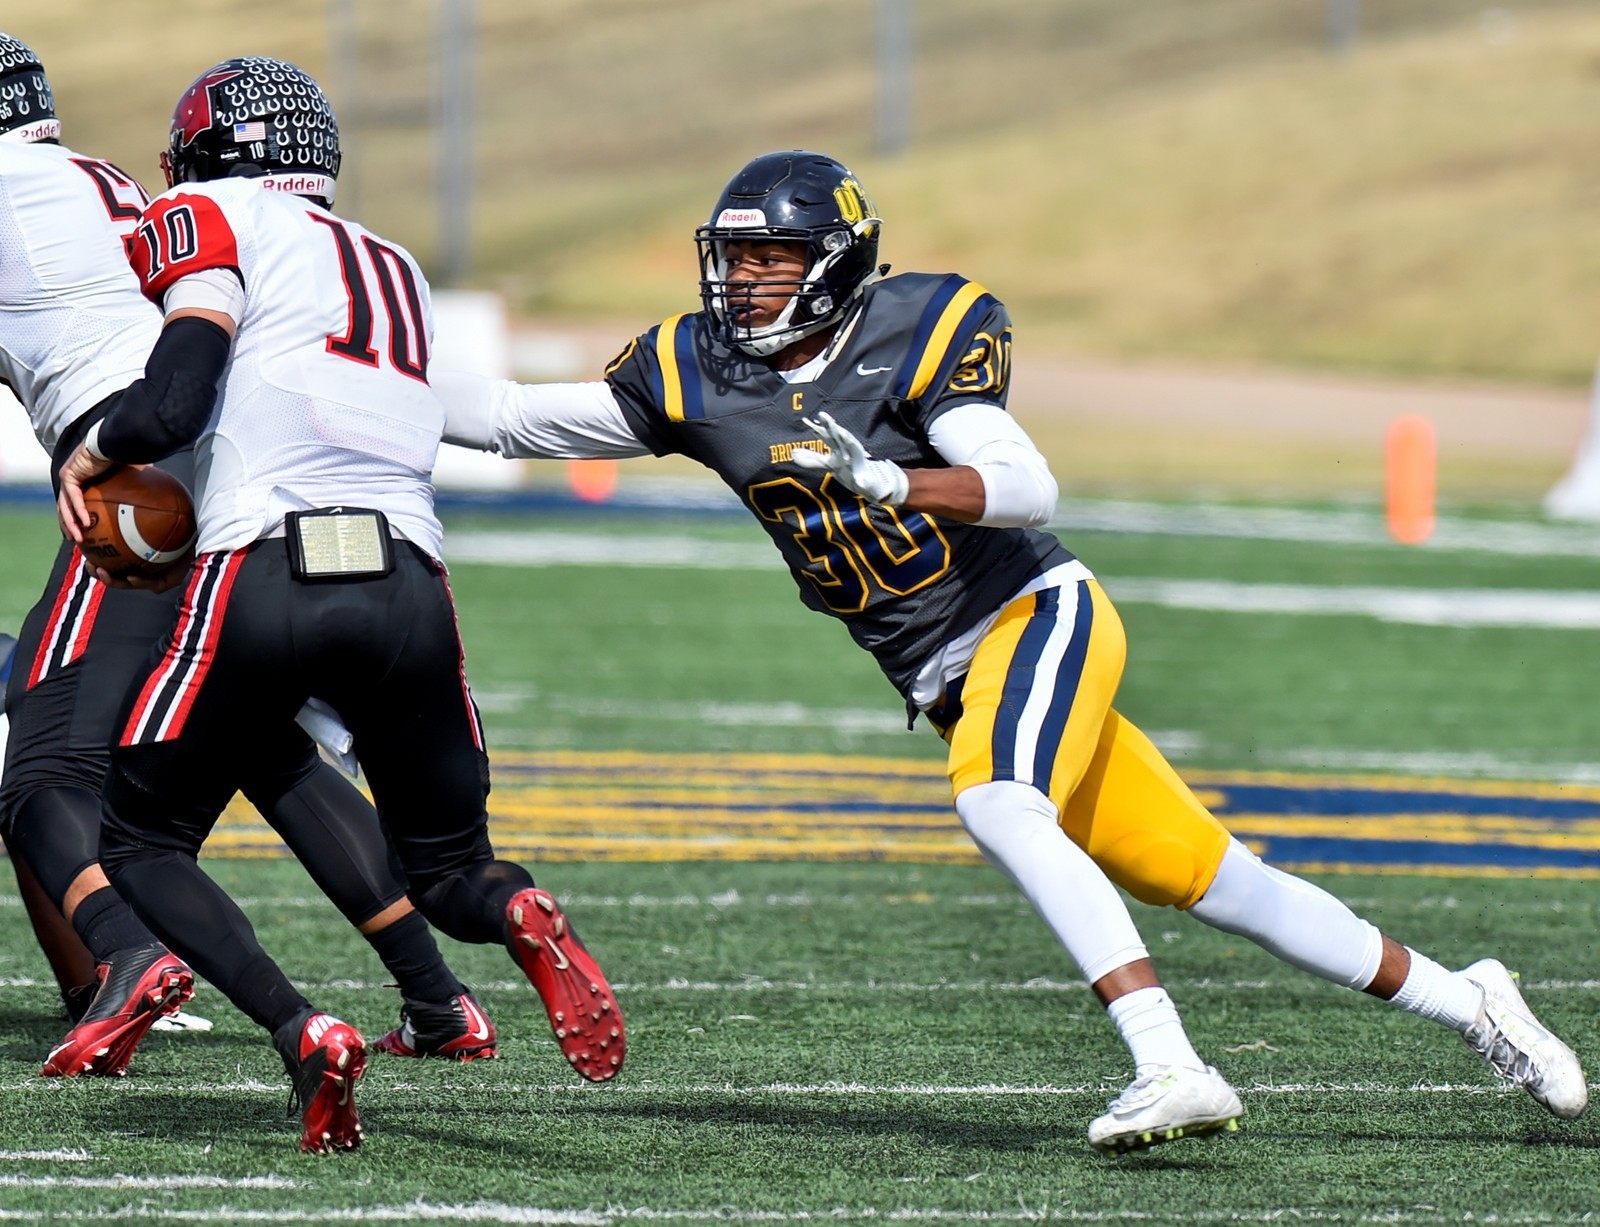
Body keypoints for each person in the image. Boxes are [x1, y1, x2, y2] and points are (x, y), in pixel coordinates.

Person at [432, 149, 1588, 1153]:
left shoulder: (917, 327)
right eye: (729, 261)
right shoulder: (700, 369)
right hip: (949, 675)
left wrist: (905, 479)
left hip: (1034, 616)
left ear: (833, 263)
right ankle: (1474, 1001)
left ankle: (1167, 1060)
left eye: (768, 261)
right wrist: (355, 365)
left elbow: (1030, 482)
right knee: (1218, 882)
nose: (739, 283)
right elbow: (515, 421)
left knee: (996, 803)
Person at [54, 56, 623, 1154]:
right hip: (410, 582)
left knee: (139, 839)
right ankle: (511, 916)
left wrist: (100, 447)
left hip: (267, 565)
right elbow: (468, 410)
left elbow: (177, 395)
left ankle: (299, 1027)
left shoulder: (207, 215)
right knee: (450, 866)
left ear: (211, 154)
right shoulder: (389, 263)